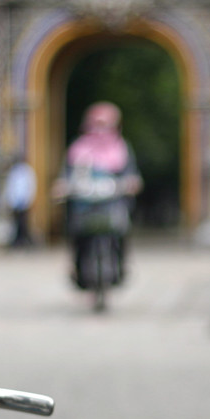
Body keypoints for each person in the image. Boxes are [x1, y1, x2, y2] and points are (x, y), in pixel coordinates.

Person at [62, 101, 142, 283]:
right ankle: (76, 267)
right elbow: (67, 173)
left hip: (112, 202)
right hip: (84, 203)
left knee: (122, 226)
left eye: (104, 124)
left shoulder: (121, 148)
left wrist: (132, 183)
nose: (99, 129)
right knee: (75, 229)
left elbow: (131, 173)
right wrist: (63, 185)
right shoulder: (78, 148)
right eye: (96, 123)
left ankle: (121, 263)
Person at [2, 154, 36, 248]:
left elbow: (31, 186)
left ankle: (25, 240)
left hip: (24, 202)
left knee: (23, 222)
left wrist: (29, 200)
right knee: (16, 222)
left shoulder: (27, 171)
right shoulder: (13, 171)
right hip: (15, 202)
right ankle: (17, 241)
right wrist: (10, 200)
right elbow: (10, 187)